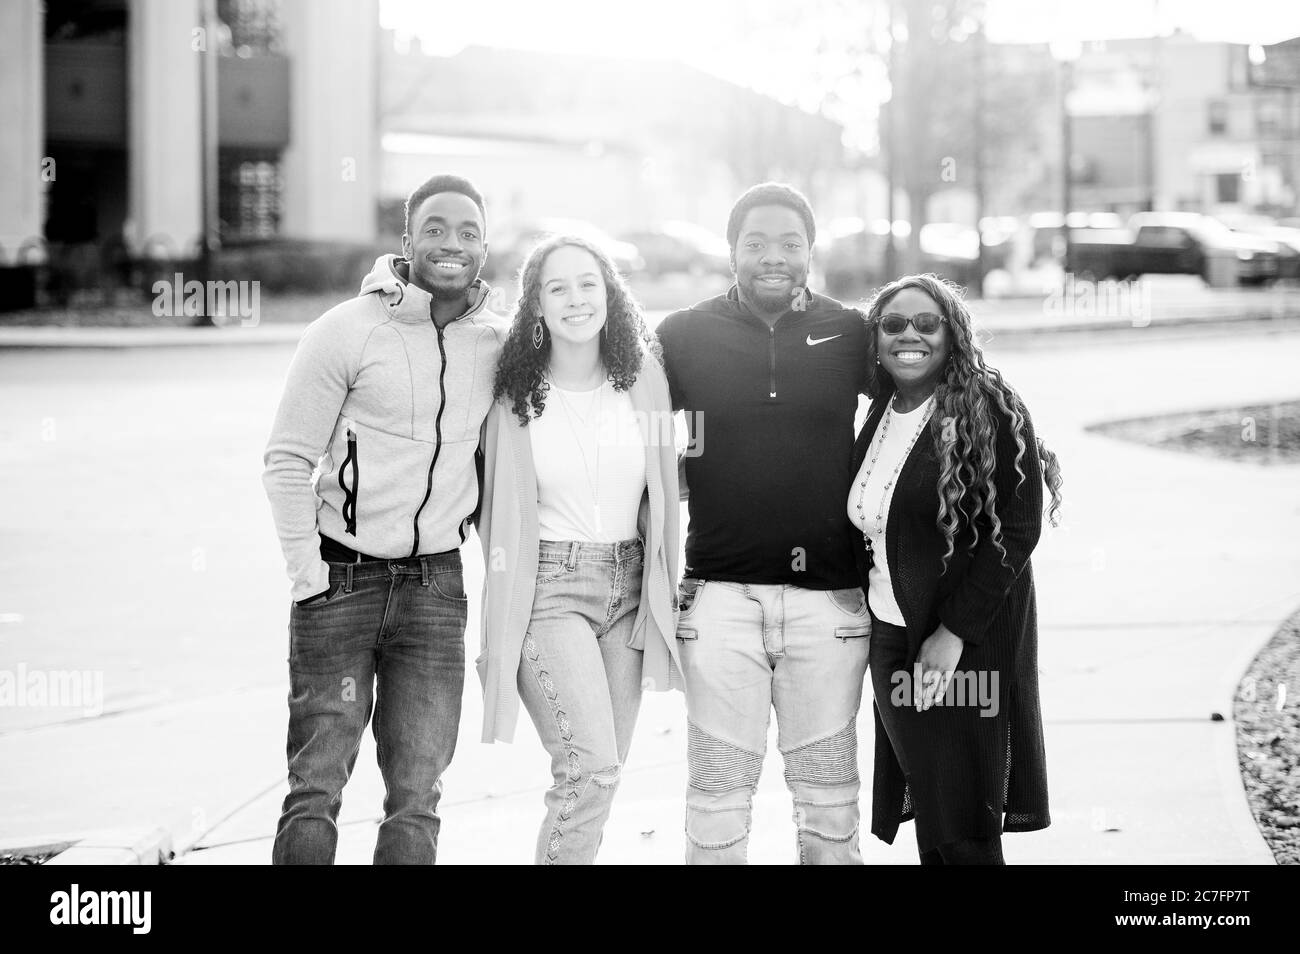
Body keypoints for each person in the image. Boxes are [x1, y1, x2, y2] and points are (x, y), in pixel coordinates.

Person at [262, 174, 507, 864]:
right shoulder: (344, 331)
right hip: (339, 580)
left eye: (466, 231)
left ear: (485, 247)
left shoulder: (498, 342)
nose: (450, 243)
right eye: (434, 228)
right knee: (315, 786)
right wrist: (309, 578)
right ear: (406, 241)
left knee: (417, 794)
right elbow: (285, 462)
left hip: (435, 590)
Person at [656, 182, 873, 864]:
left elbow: (932, 388)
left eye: (789, 243)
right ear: (731, 252)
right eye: (755, 244)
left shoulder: (849, 332)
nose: (771, 258)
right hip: (719, 600)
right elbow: (613, 409)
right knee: (717, 803)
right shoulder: (684, 335)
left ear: (810, 252)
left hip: (831, 605)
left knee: (830, 808)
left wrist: (1022, 441)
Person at [477, 234, 681, 864]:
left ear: (610, 294)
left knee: (603, 775)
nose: (575, 299)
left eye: (588, 283)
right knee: (588, 769)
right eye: (556, 287)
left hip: (629, 589)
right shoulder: (509, 394)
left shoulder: (643, 379)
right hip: (547, 589)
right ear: (535, 304)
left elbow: (668, 489)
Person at [850, 273, 1062, 865]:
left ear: (952, 334)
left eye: (926, 323)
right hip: (892, 635)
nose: (909, 335)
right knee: (939, 817)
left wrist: (954, 634)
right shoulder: (883, 411)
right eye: (893, 324)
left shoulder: (989, 405)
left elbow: (1017, 532)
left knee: (965, 822)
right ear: (876, 338)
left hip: (965, 642)